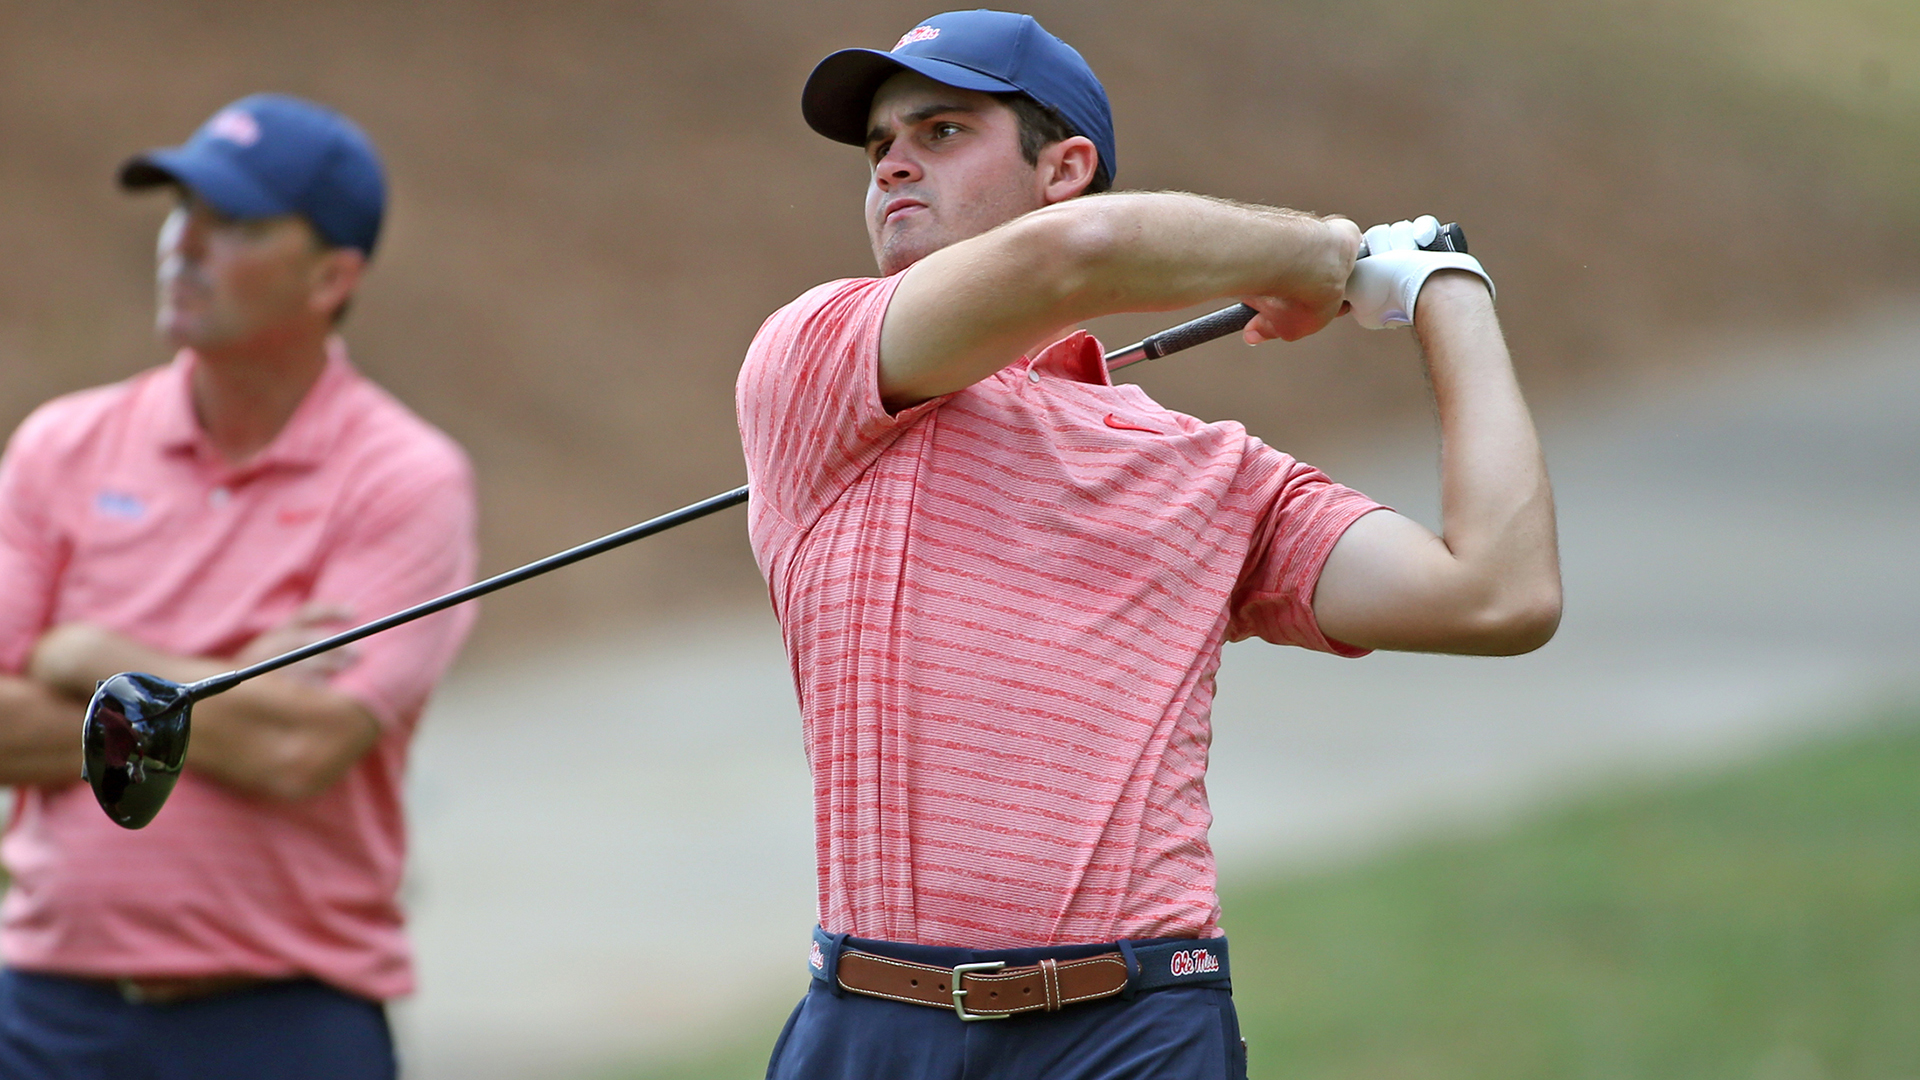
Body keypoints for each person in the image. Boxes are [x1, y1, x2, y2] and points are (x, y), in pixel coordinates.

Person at [736, 11, 1561, 1079]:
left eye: (941, 132)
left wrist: (1447, 289)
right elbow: (1079, 255)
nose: (893, 162)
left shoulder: (1210, 470)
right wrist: (1316, 253)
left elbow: (1497, 593)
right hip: (872, 1024)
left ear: (1065, 168)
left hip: (1132, 1031)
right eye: (879, 146)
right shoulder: (817, 363)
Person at [0, 94, 477, 1079]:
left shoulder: (405, 477)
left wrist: (85, 653)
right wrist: (230, 681)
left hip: (284, 1023)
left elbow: (301, 749)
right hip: (43, 1015)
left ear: (331, 276)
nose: (183, 245)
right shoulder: (60, 445)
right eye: (182, 211)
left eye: (237, 224)